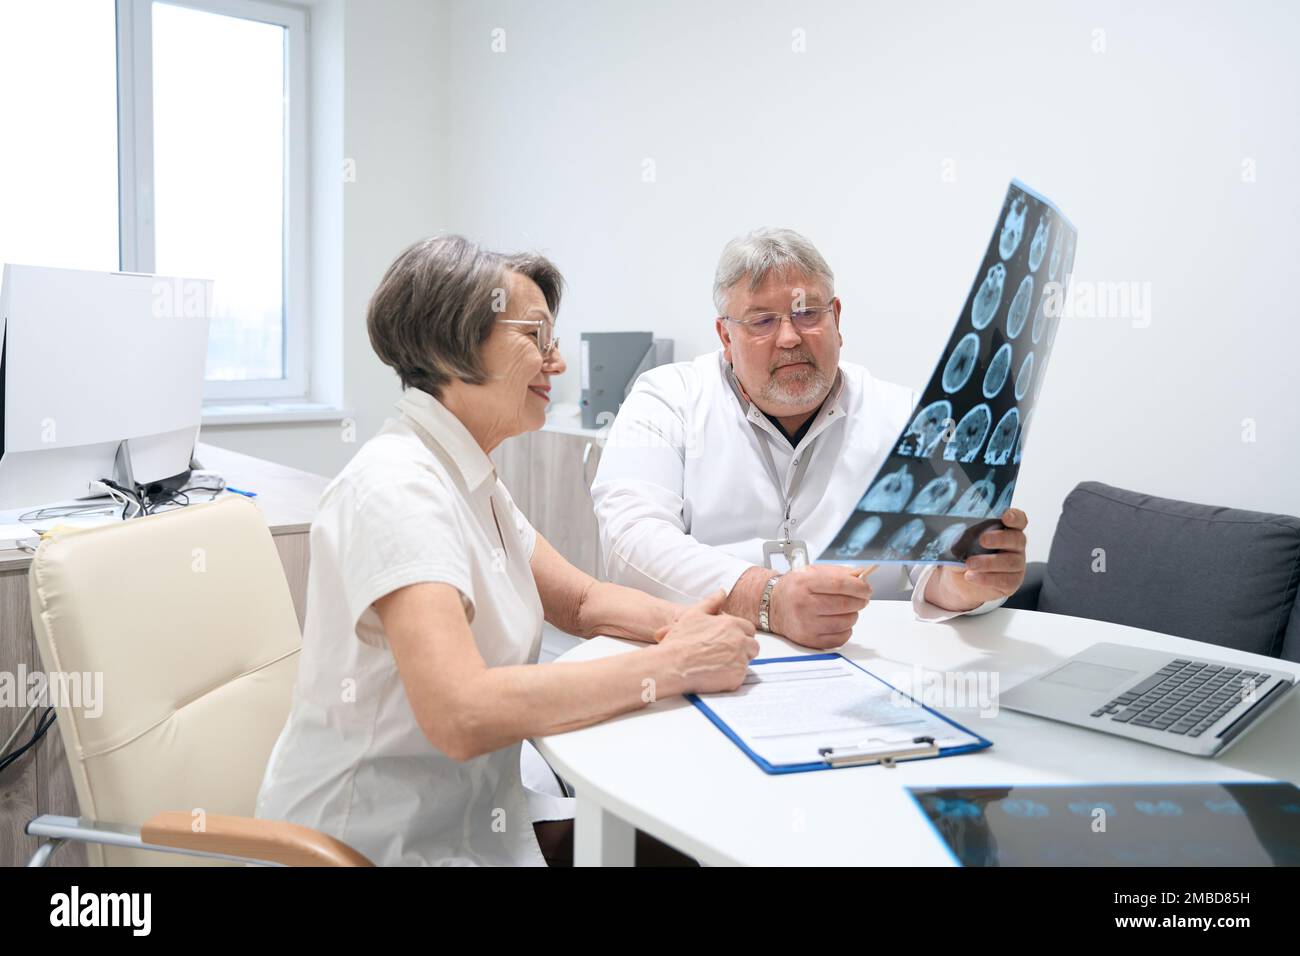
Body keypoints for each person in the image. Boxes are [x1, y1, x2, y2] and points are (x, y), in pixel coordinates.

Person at [255, 236, 758, 866]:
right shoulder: (396, 489)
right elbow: (461, 713)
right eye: (536, 337)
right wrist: (676, 666)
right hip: (376, 846)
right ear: (451, 341)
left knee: (670, 842)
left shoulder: (467, 475)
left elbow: (580, 600)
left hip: (474, 817)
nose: (558, 363)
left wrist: (692, 625)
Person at [591, 227, 1029, 650]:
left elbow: (929, 571)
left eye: (808, 313)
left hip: (868, 663)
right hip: (708, 656)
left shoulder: (903, 415)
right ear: (726, 335)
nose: (789, 337)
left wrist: (969, 583)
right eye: (762, 321)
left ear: (836, 318)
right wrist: (767, 598)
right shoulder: (667, 399)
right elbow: (631, 541)